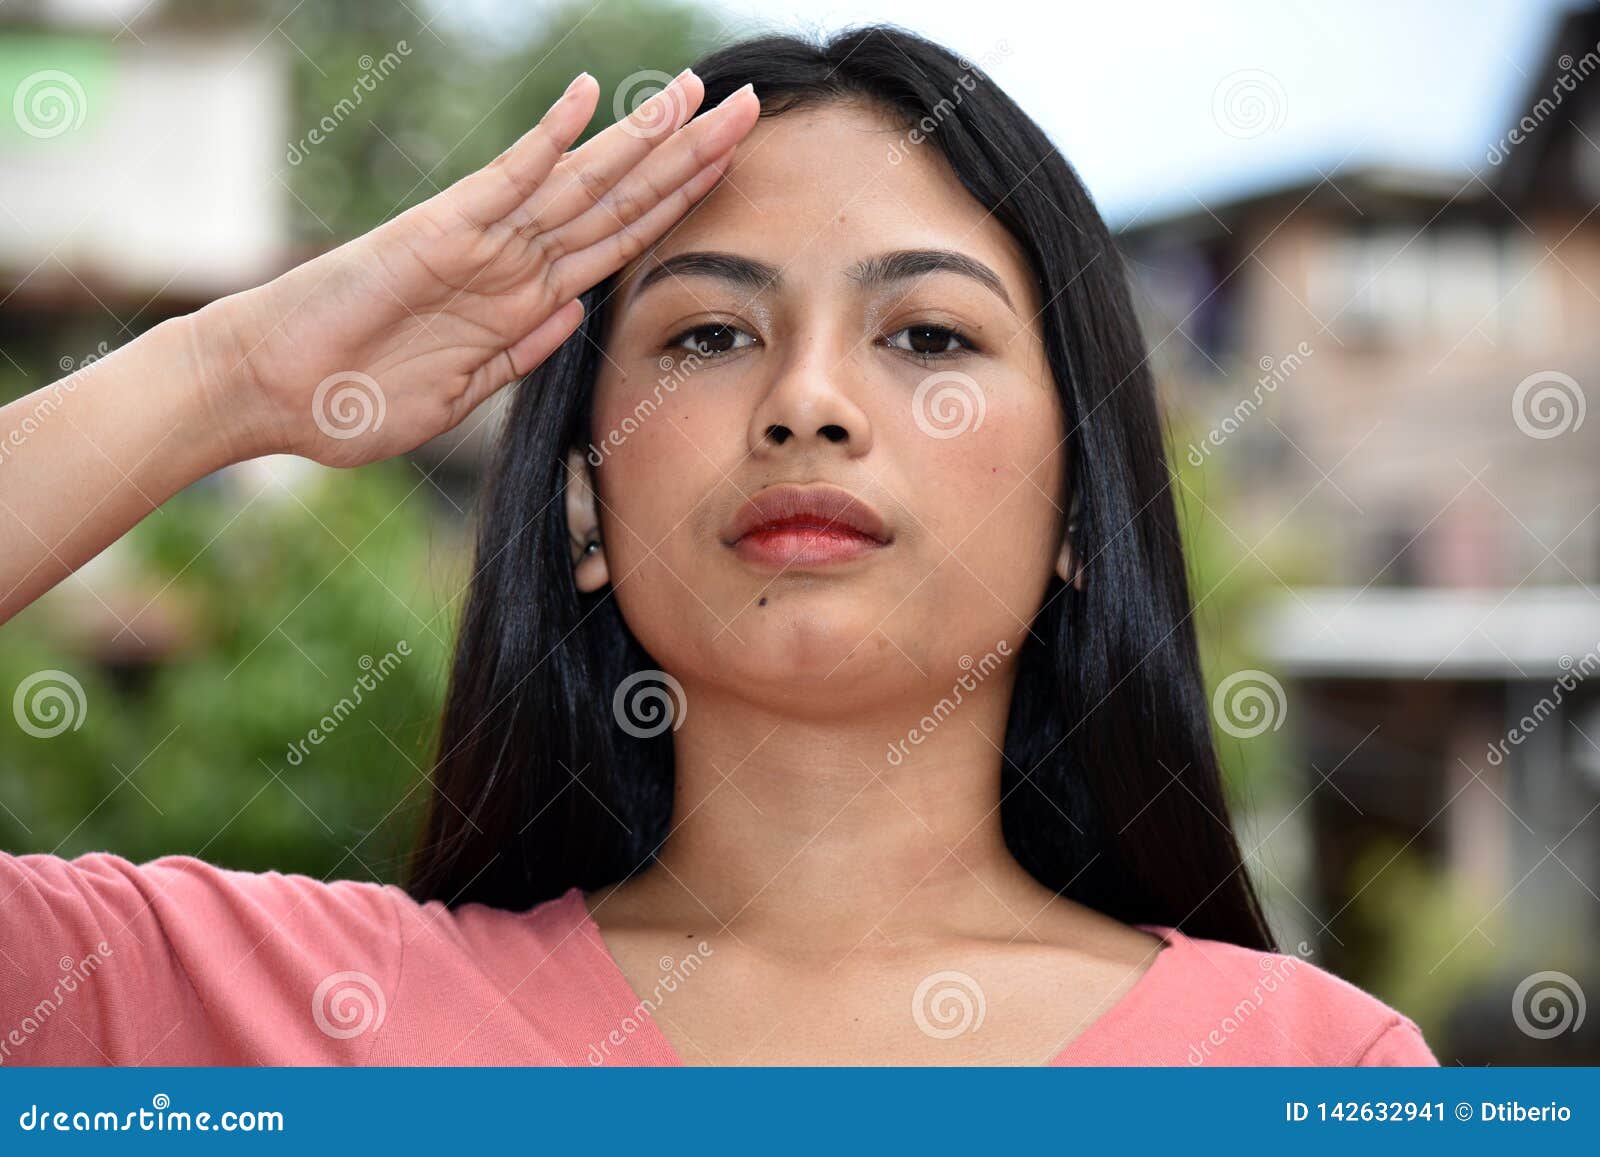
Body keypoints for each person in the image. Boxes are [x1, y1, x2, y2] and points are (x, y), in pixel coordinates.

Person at [0, 26, 1437, 1066]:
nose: (807, 403)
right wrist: (224, 378)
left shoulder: (1308, 1073)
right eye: (710, 334)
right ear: (581, 508)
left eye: (926, 335)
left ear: (1080, 512)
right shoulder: (259, 1023)